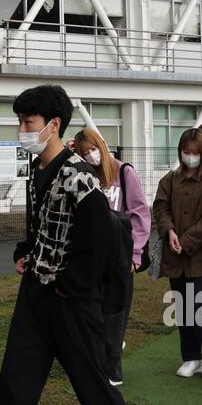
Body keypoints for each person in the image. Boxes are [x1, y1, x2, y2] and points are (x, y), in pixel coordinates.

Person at [0, 85, 146, 405]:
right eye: (19, 121)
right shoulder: (37, 170)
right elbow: (43, 227)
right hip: (36, 298)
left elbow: (100, 242)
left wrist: (70, 285)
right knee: (16, 379)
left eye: (28, 122)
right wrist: (25, 250)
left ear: (53, 125)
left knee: (92, 384)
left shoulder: (79, 177)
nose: (22, 129)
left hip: (72, 302)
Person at [73, 127, 151, 386]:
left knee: (115, 314)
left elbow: (140, 214)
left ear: (102, 146)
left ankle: (112, 369)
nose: (91, 156)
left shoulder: (124, 172)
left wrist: (135, 254)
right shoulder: (84, 176)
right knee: (91, 312)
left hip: (120, 256)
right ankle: (98, 358)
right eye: (84, 153)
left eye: (93, 150)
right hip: (93, 257)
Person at [152, 129, 202, 378]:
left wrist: (185, 241)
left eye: (196, 153)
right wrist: (169, 231)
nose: (190, 157)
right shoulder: (169, 180)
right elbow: (160, 208)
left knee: (200, 306)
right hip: (175, 256)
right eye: (186, 152)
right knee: (183, 307)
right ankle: (191, 356)